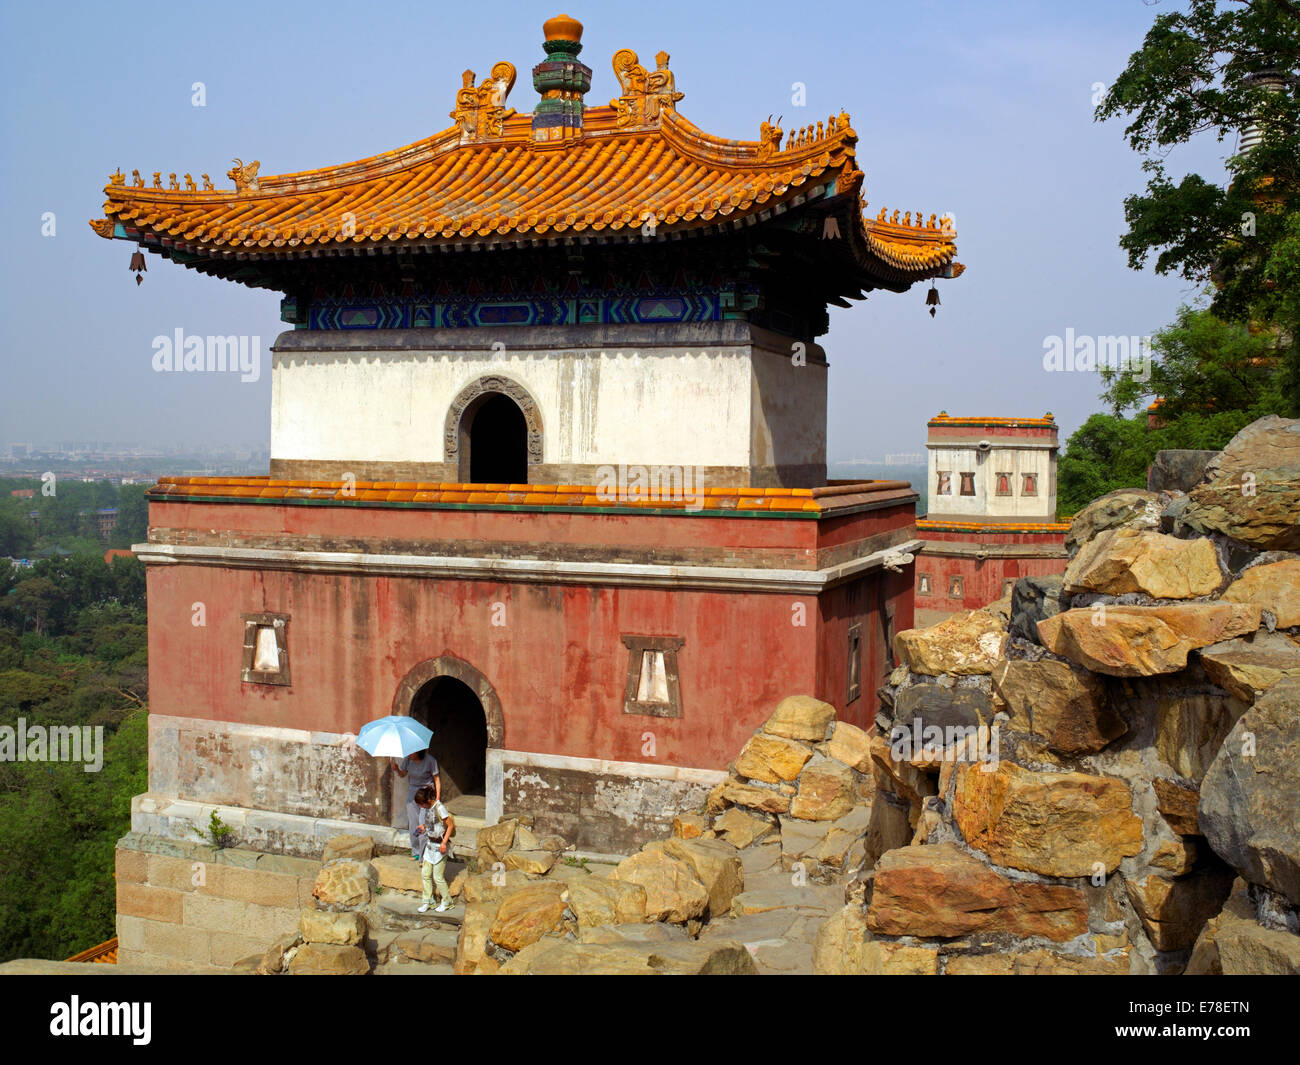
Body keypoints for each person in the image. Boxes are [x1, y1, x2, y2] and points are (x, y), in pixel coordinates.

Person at [412, 785, 455, 913]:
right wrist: (423, 827)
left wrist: (444, 843)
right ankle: (428, 901)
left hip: (439, 846)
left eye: (421, 804)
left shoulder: (439, 808)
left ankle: (447, 902)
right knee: (425, 874)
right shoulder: (428, 809)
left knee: (438, 877)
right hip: (429, 846)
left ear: (427, 801)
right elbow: (433, 823)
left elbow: (450, 825)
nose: (420, 807)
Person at [392, 748, 441, 859]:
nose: (409, 754)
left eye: (412, 752)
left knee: (422, 824)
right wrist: (396, 769)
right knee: (413, 823)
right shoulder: (408, 760)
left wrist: (437, 798)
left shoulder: (430, 760)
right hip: (413, 794)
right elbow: (403, 774)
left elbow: (437, 779)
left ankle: (424, 854)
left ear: (419, 751)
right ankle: (416, 851)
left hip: (426, 795)